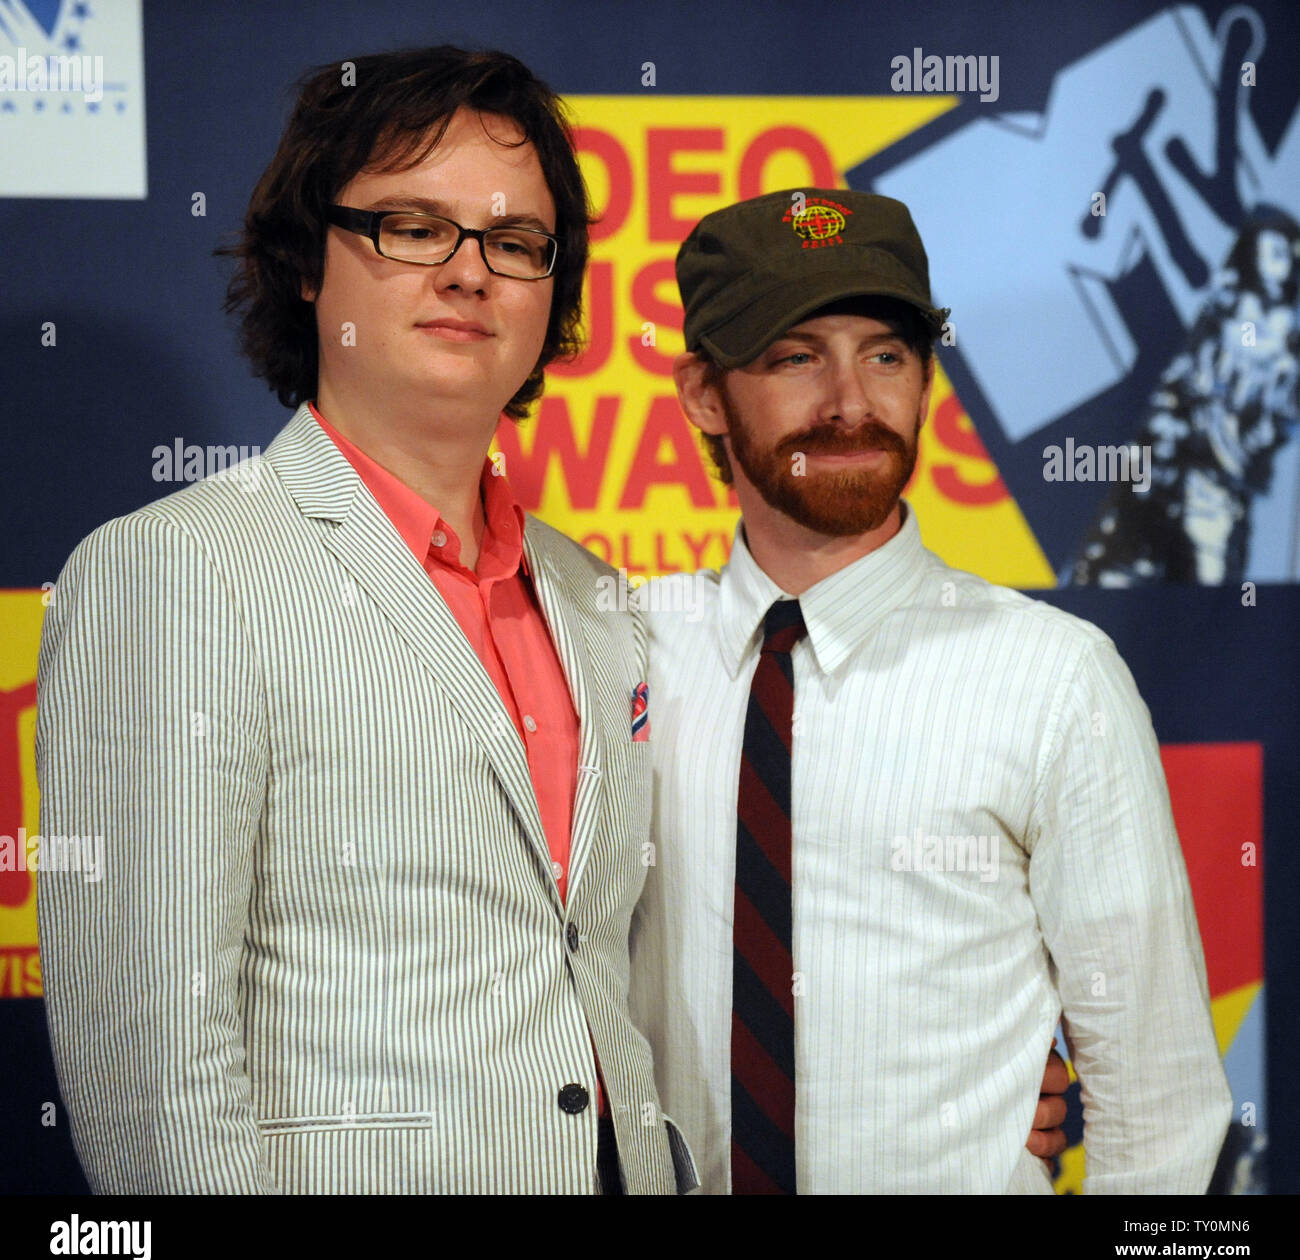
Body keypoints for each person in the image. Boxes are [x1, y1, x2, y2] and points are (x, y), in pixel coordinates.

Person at [35, 46, 696, 1196]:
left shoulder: (593, 600)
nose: (468, 273)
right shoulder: (177, 571)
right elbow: (152, 1074)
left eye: (514, 242)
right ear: (306, 264)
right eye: (411, 227)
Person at [629, 188, 1233, 1193]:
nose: (850, 403)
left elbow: (1158, 1114)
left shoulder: (1052, 677)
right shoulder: (613, 649)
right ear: (701, 393)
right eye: (793, 356)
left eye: (885, 354)